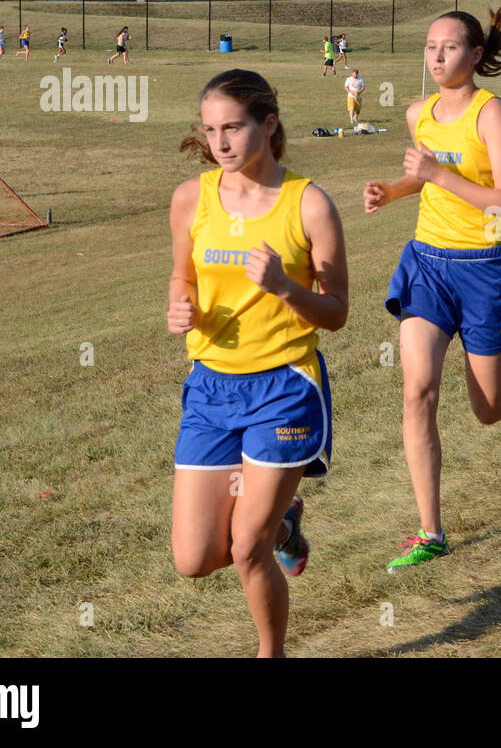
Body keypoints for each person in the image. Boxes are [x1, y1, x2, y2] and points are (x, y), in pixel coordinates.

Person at [362, 8, 501, 573]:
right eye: (429, 46)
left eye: (449, 47)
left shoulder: (492, 113)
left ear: (473, 56)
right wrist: (390, 191)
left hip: (487, 268)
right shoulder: (420, 113)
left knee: (487, 409)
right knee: (417, 392)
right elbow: (424, 178)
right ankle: (430, 532)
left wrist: (438, 175)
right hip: (427, 266)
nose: (436, 56)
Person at [167, 68, 349, 658]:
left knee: (248, 547)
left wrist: (283, 286)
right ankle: (286, 519)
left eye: (234, 128)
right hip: (210, 388)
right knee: (194, 560)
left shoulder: (309, 204)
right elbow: (182, 276)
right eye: (211, 130)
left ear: (268, 125)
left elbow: (337, 311)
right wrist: (182, 307)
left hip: (284, 387)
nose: (220, 143)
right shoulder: (191, 197)